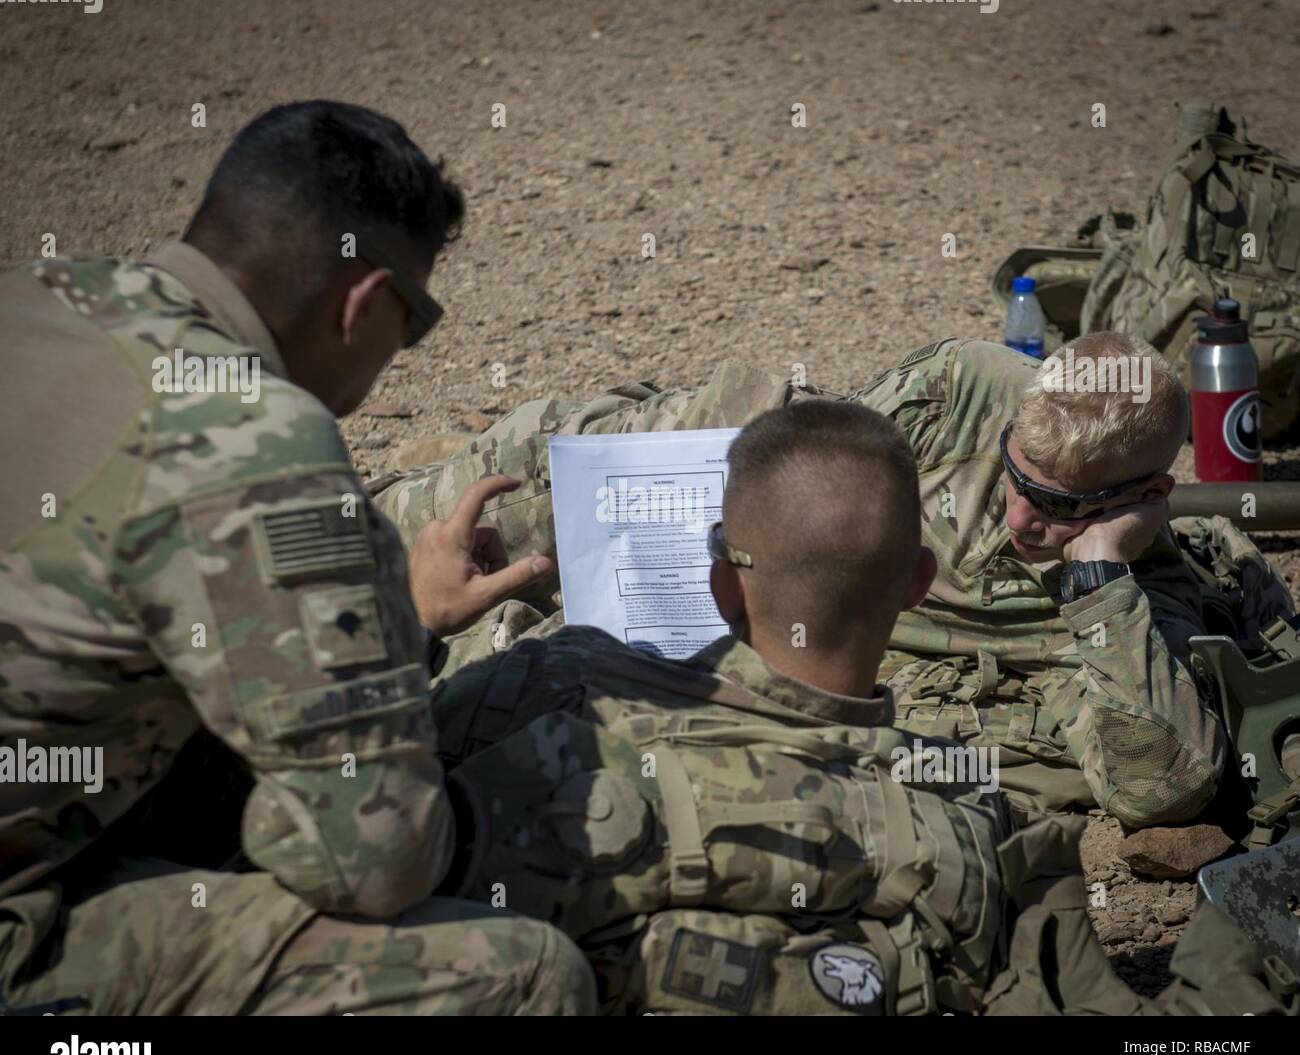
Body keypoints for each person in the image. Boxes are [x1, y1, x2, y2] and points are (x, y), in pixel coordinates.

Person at [0, 100, 593, 1015]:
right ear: (365, 303)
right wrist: (389, 635)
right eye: (418, 319)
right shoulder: (252, 431)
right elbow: (369, 860)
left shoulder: (29, 297)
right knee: (524, 975)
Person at [421, 402, 1292, 1016]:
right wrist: (1235, 932)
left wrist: (420, 627)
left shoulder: (537, 688)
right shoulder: (979, 832)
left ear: (723, 582)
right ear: (917, 585)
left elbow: (332, 796)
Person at [374, 334, 1293, 829]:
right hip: (746, 555)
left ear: (1146, 500)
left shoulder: (1140, 611)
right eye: (1017, 478)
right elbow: (812, 464)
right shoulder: (968, 388)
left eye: (1060, 507)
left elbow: (1162, 787)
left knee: (517, 683)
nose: (1021, 518)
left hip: (791, 654)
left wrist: (1096, 574)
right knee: (513, 482)